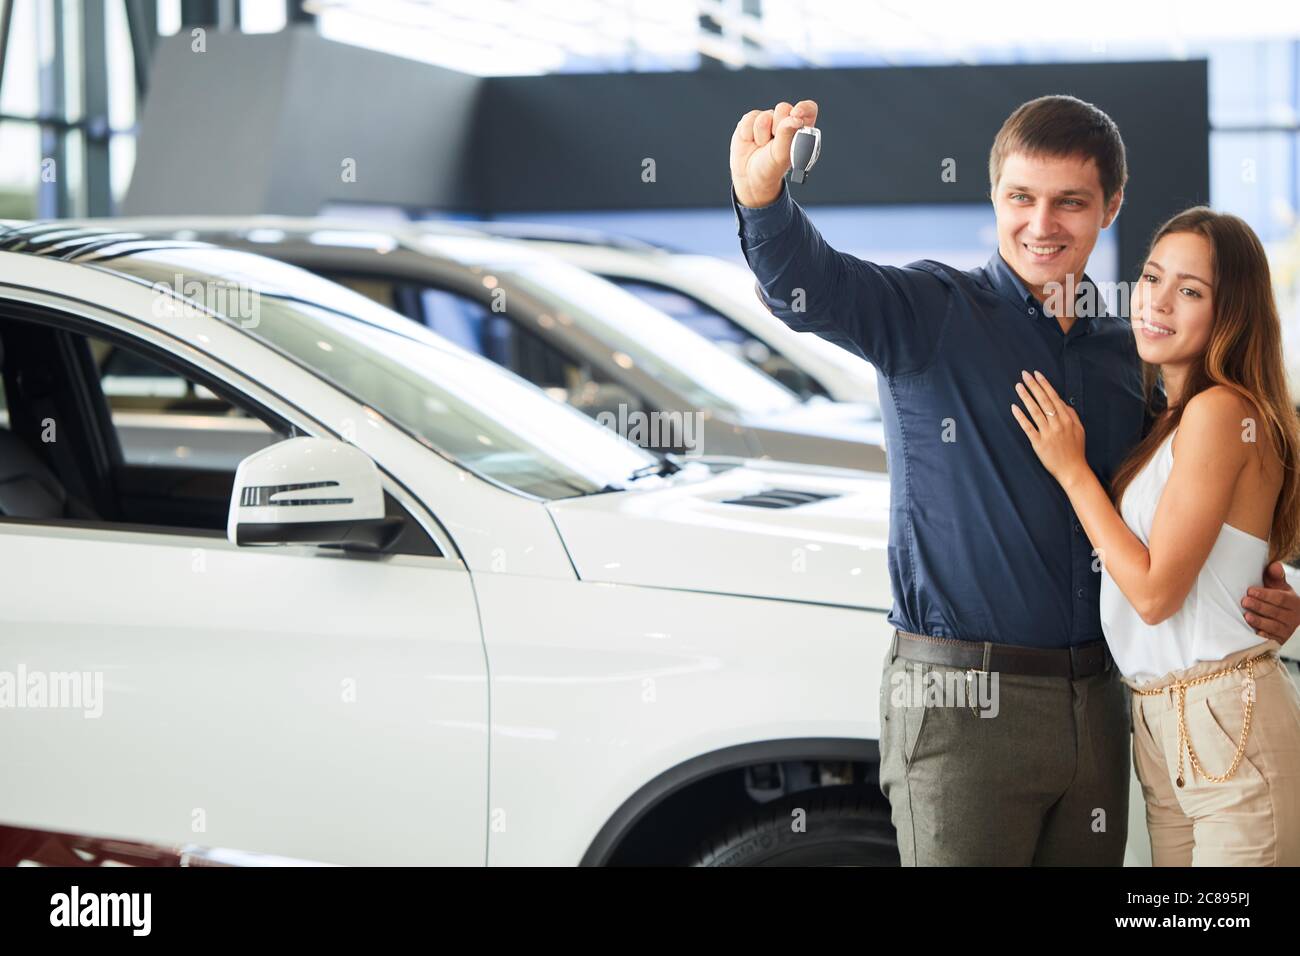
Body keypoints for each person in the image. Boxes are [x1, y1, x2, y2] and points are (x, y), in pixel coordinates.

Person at [728, 92, 1300, 864]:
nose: (1042, 224)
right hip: (964, 705)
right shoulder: (930, 311)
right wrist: (762, 196)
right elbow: (810, 284)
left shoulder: (1129, 350)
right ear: (994, 195)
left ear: (1111, 205)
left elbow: (1185, 512)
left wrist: (1254, 591)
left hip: (1101, 706)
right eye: (1021, 198)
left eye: (1071, 202)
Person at [1011, 206, 1300, 865]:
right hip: (1163, 722)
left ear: (1233, 311)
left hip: (1228, 718)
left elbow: (1153, 594)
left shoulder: (1221, 411)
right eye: (1151, 277)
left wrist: (1071, 470)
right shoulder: (1171, 417)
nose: (1158, 302)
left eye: (1190, 291)